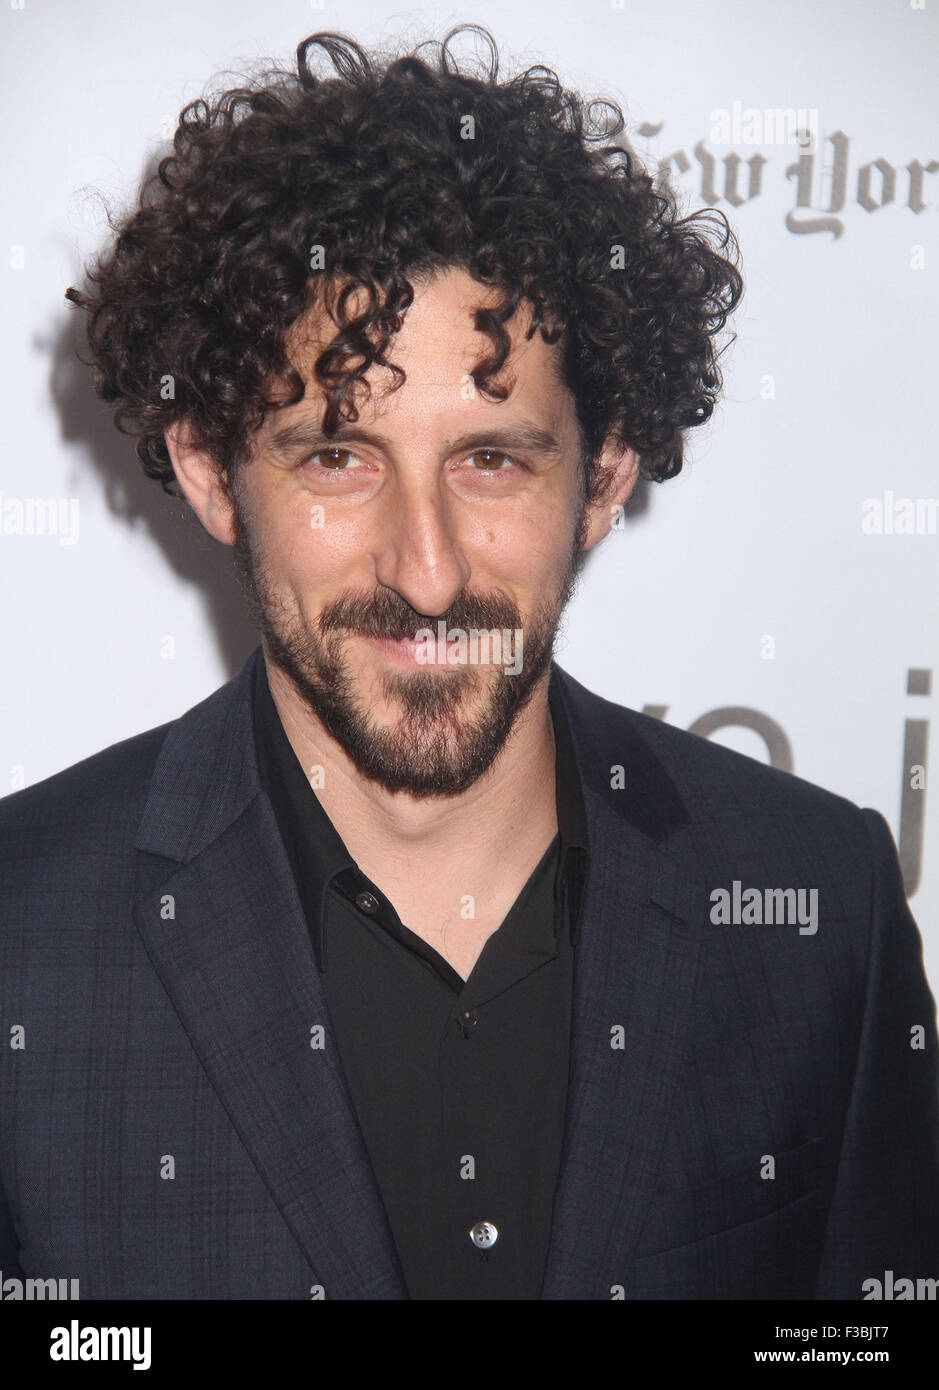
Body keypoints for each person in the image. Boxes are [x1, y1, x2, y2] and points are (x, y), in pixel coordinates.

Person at [1, 25, 936, 1301]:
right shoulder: (20, 934)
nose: (428, 571)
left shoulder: (817, 908)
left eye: (493, 457)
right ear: (217, 477)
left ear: (603, 479)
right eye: (338, 455)